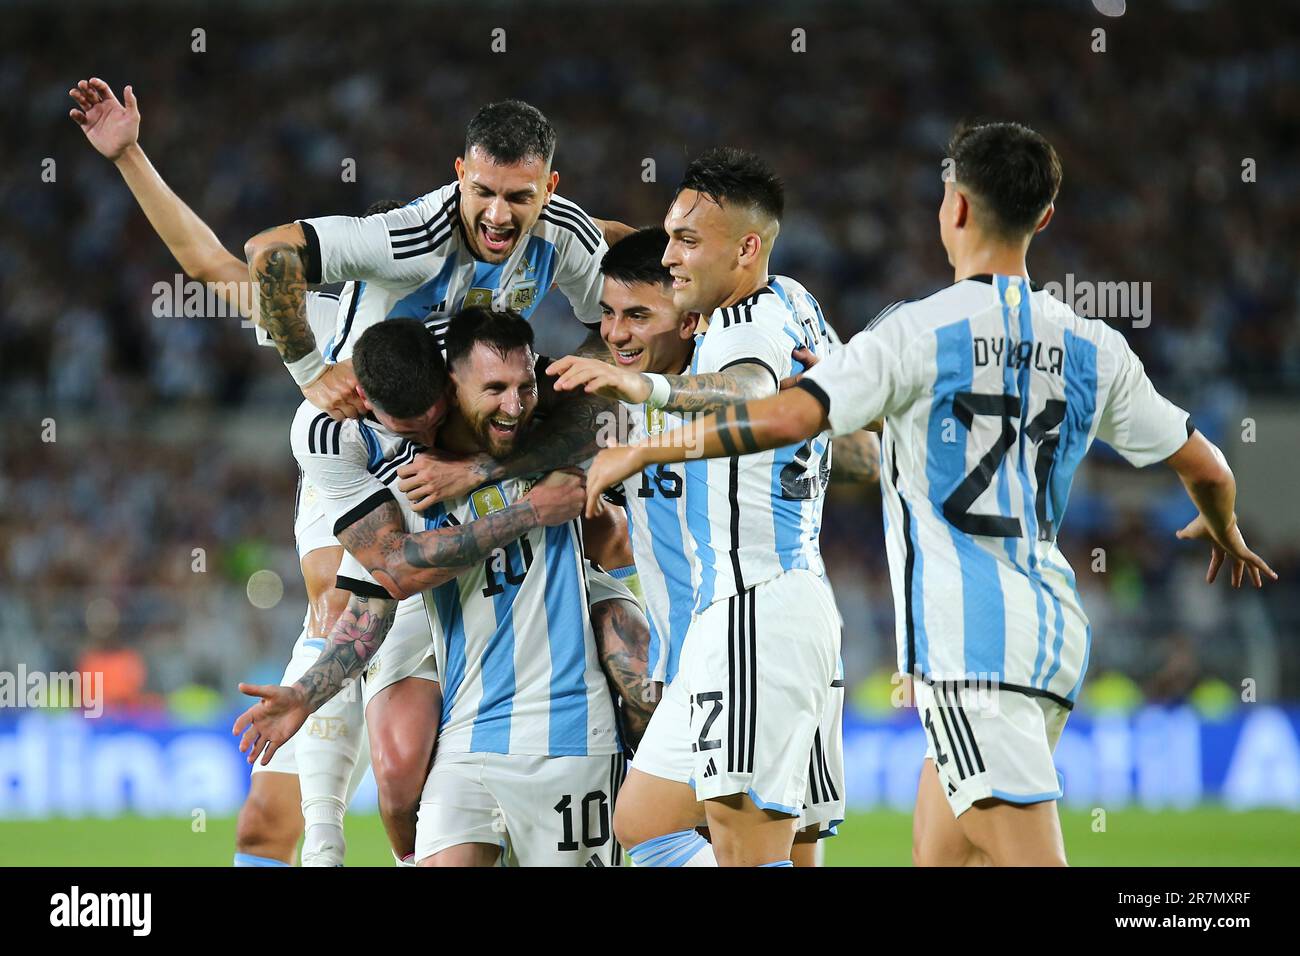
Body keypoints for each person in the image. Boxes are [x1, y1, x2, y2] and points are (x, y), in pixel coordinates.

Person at [583, 122, 1278, 867]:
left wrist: (646, 430)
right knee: (939, 858)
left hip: (969, 640)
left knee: (1021, 858)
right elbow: (1208, 467)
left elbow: (777, 410)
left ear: (952, 209)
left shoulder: (916, 334)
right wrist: (1222, 527)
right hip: (1046, 631)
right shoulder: (1090, 344)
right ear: (1044, 218)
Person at [67, 76, 390, 866]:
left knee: (422, 823)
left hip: (418, 617)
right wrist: (131, 156)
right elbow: (208, 263)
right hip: (328, 633)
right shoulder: (322, 320)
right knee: (262, 831)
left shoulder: (464, 342)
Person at [237, 309, 649, 866]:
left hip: (572, 738)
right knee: (400, 786)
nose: (513, 404)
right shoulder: (407, 486)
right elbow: (377, 596)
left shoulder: (550, 443)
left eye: (524, 388)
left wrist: (494, 475)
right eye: (495, 390)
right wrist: (305, 695)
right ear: (454, 387)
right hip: (469, 740)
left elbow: (616, 428)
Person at [548, 149, 847, 867]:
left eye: (689, 241)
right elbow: (845, 431)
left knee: (678, 834)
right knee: (749, 841)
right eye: (672, 237)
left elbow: (745, 392)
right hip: (785, 606)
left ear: (746, 248)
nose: (676, 255)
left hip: (751, 609)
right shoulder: (796, 305)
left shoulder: (741, 327)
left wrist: (643, 428)